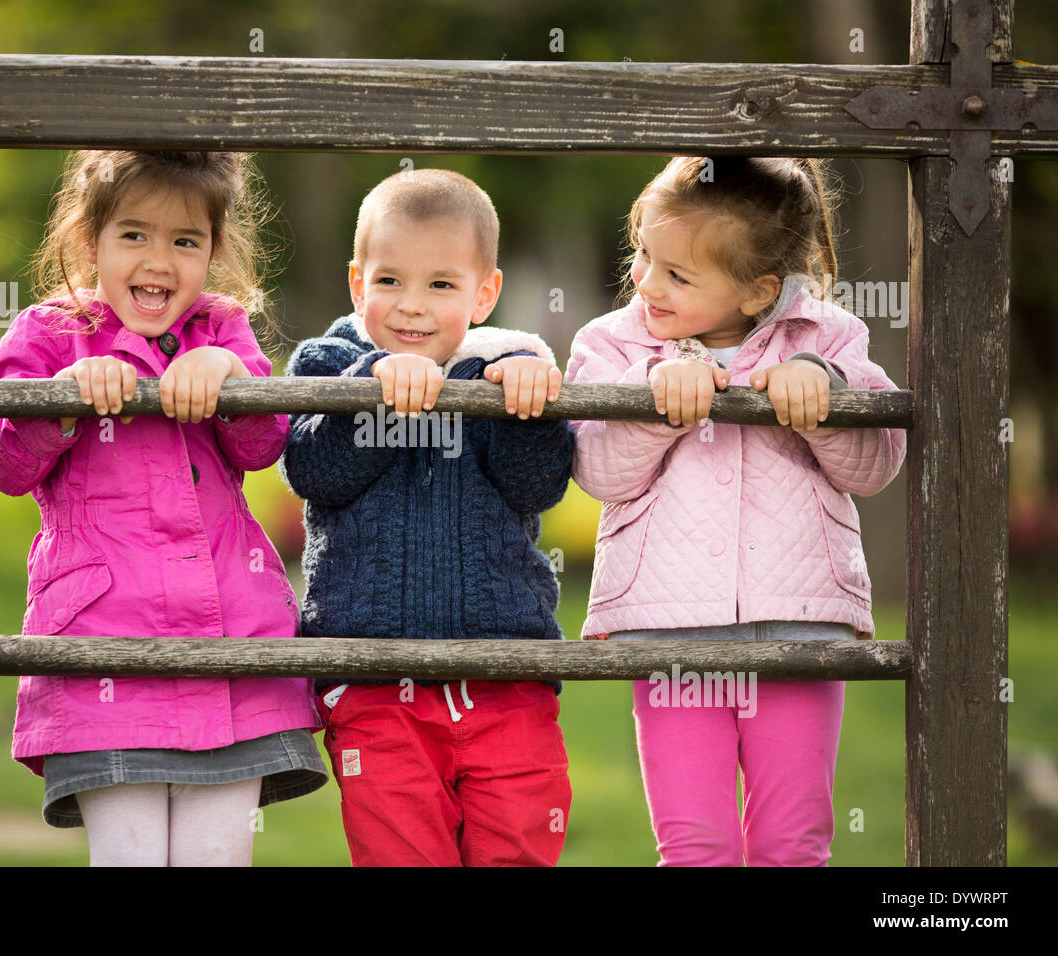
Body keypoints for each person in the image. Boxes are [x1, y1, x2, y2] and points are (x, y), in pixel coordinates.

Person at [0, 149, 326, 867]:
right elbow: (4, 464)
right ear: (90, 241)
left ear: (213, 252)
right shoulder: (49, 333)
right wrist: (63, 396)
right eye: (134, 234)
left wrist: (230, 375)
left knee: (215, 858)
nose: (159, 261)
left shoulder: (221, 327)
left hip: (229, 643)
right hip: (105, 643)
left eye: (185, 241)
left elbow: (264, 445)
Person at [565, 156, 906, 866]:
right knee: (698, 845)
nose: (645, 283)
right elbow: (598, 472)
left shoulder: (828, 338)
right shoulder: (614, 342)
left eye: (677, 276)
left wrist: (824, 396)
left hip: (800, 629)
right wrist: (654, 398)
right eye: (643, 255)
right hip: (669, 637)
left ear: (759, 291)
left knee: (793, 843)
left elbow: (875, 469)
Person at [279, 168, 576, 866]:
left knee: (518, 850)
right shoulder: (330, 362)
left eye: (441, 285)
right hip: (378, 685)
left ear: (484, 292)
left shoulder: (504, 368)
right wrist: (371, 391)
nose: (411, 306)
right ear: (357, 284)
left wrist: (528, 407)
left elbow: (539, 487)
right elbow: (314, 471)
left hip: (507, 678)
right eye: (389, 281)